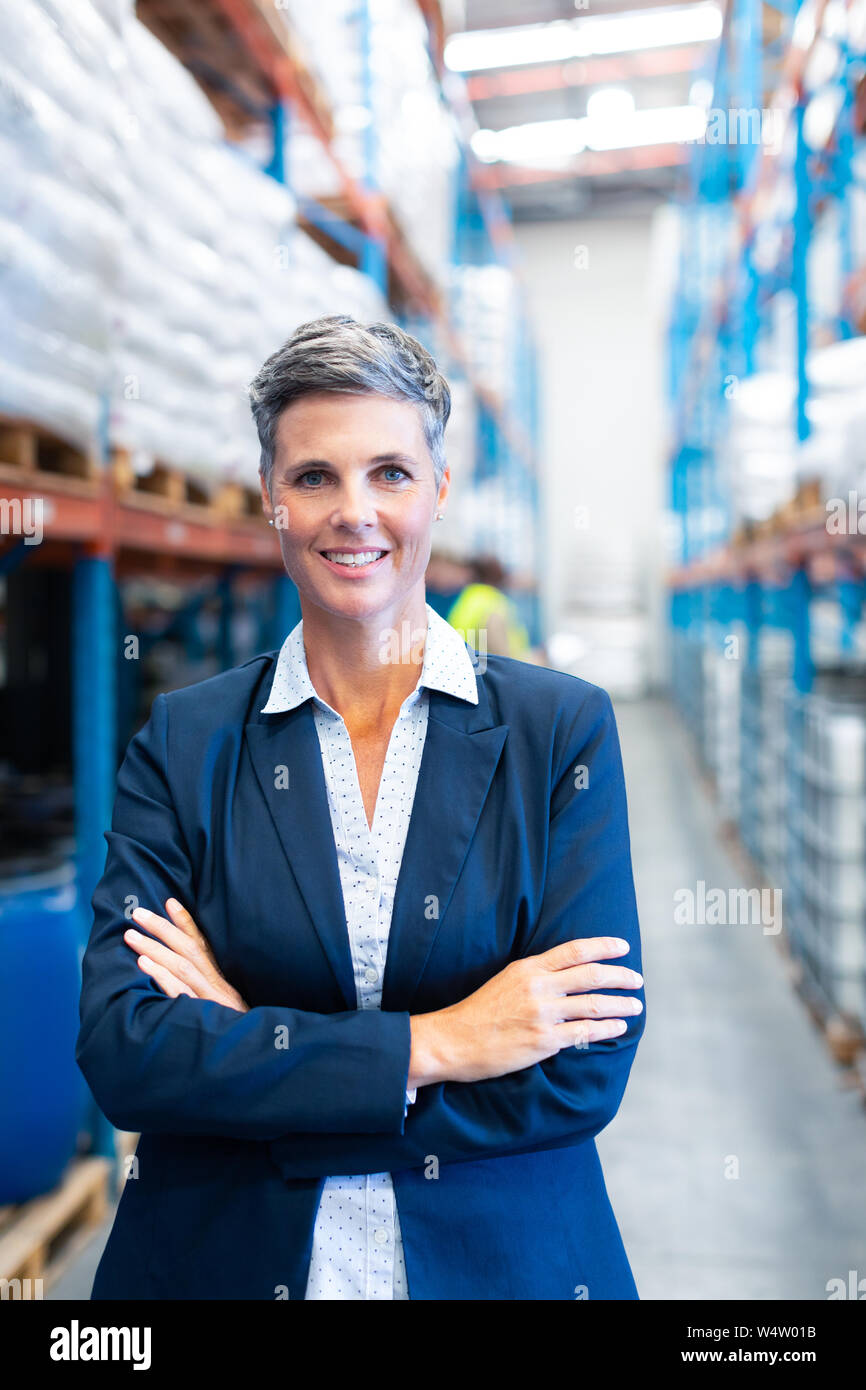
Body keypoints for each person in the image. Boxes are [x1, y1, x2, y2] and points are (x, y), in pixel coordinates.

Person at [76, 314, 646, 1301]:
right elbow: (127, 1051)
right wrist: (444, 1042)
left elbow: (578, 1070)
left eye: (388, 471)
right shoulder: (186, 743)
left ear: (437, 489)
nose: (352, 511)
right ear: (269, 500)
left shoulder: (558, 736)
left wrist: (257, 1041)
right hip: (227, 1262)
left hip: (494, 1266)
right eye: (312, 477)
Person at [446, 555, 532, 660]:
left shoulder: (466, 598)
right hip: (486, 671)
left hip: (462, 666)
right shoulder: (493, 601)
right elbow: (502, 654)